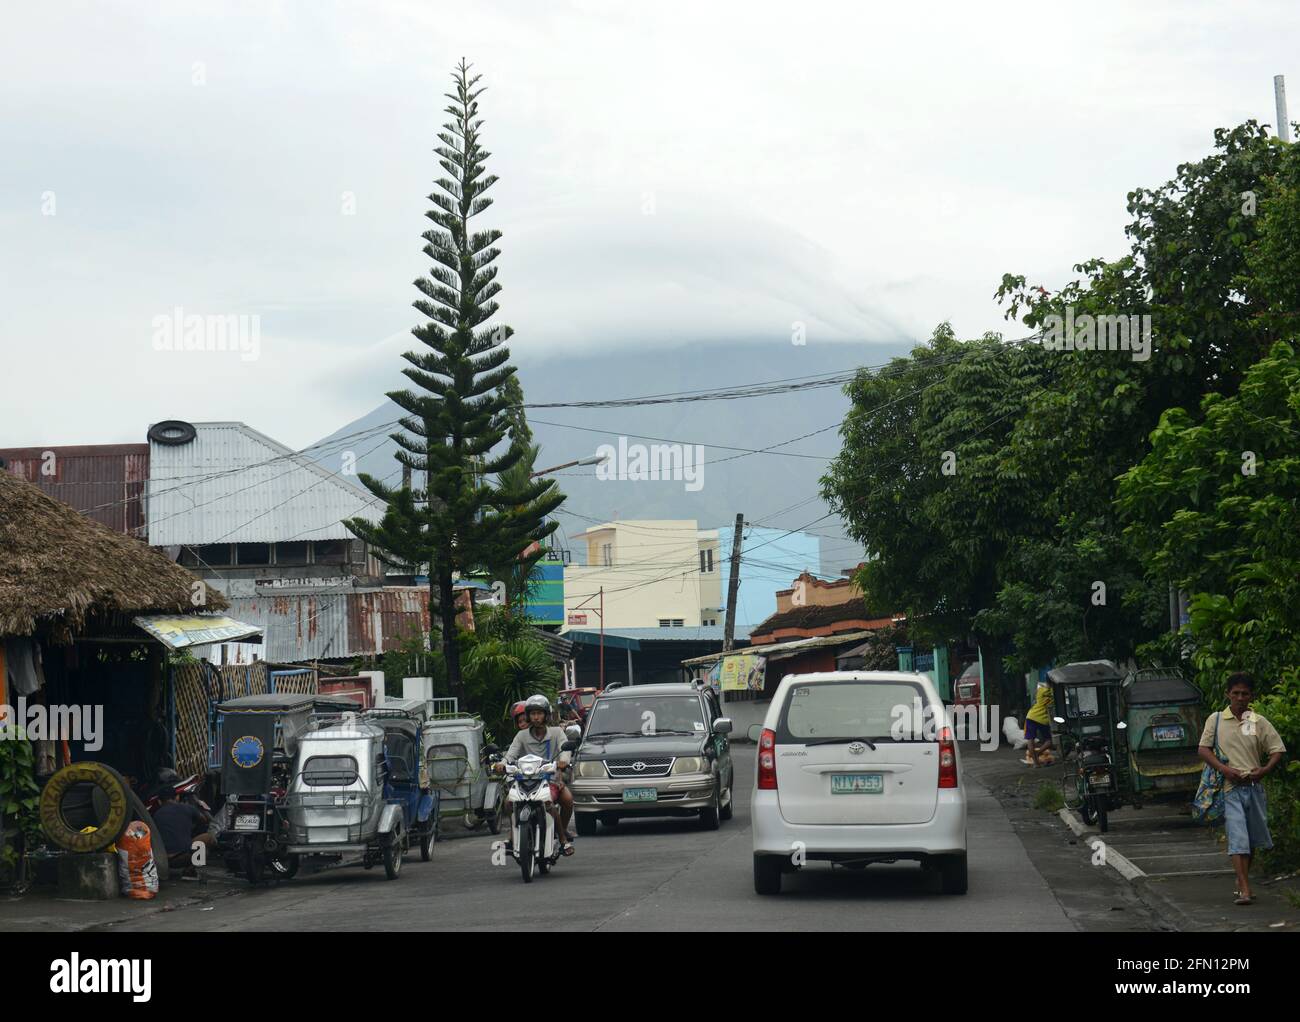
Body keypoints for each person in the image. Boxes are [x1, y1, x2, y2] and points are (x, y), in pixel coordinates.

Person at [1197, 672, 1286, 905]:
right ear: (1227, 694)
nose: (1239, 697)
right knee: (1238, 837)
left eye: (1244, 693)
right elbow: (1203, 749)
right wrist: (1224, 769)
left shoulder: (1257, 722)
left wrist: (1265, 769)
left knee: (1252, 840)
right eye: (1235, 693)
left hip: (1254, 787)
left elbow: (1277, 749)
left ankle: (1242, 880)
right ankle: (1245, 889)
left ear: (1250, 696)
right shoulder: (1216, 719)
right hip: (1229, 788)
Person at [500, 695, 575, 856]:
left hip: (550, 780)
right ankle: (513, 836)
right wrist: (502, 764)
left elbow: (565, 750)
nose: (536, 717)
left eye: (539, 713)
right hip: (524, 781)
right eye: (532, 713)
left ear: (546, 715)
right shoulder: (521, 736)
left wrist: (563, 761)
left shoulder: (556, 733)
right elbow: (510, 754)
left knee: (566, 800)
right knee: (508, 803)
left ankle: (562, 837)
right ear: (528, 715)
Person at [152, 788, 215, 877]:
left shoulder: (156, 814)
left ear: (159, 801)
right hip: (183, 858)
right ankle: (191, 869)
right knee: (209, 838)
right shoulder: (187, 808)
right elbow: (205, 820)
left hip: (164, 860)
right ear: (177, 797)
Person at [1023, 680, 1055, 767]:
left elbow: (1039, 685)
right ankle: (1038, 753)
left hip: (1032, 716)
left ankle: (1036, 763)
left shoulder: (1040, 690)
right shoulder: (1054, 693)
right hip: (1044, 719)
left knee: (1030, 740)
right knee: (1049, 740)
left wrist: (1043, 685)